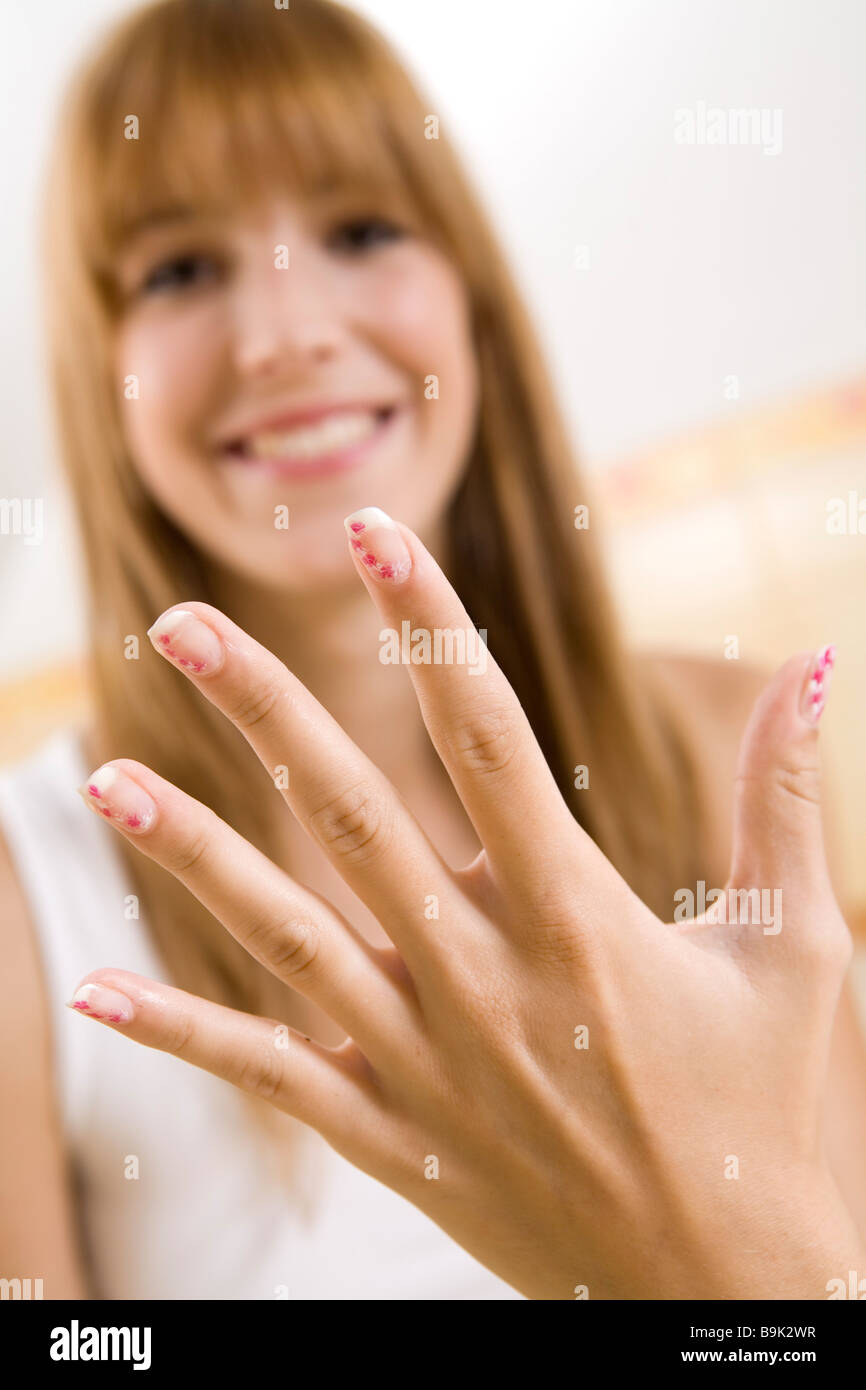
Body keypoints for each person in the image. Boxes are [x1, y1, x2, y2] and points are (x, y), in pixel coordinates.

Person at [1, 0, 865, 1300]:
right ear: (97, 367)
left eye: (359, 229)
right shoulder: (29, 889)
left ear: (472, 294)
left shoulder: (732, 757)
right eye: (178, 268)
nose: (285, 333)